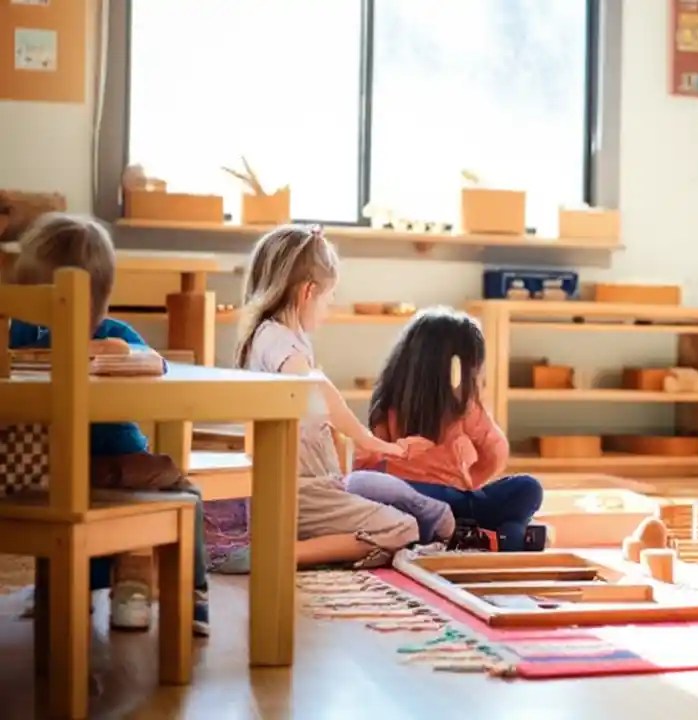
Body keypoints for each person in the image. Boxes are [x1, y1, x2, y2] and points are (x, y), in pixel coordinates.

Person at [5, 213, 211, 635]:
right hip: (113, 467)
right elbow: (159, 366)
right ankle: (192, 601)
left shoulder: (17, 338)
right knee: (184, 489)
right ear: (102, 297)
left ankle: (66, 591)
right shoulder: (112, 334)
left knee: (83, 500)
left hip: (45, 474)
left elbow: (152, 361)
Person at [215, 225, 454, 573]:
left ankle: (308, 549)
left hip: (310, 487)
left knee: (395, 507)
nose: (328, 307)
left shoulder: (271, 337)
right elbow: (318, 388)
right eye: (329, 297)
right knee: (402, 527)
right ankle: (282, 555)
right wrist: (374, 442)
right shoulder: (279, 341)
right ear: (308, 292)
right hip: (300, 493)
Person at [346, 307, 543, 551]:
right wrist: (471, 489)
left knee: (373, 490)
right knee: (528, 488)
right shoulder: (462, 405)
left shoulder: (387, 401)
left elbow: (370, 464)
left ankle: (456, 532)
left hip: (406, 499)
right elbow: (496, 453)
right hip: (452, 500)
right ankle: (503, 534)